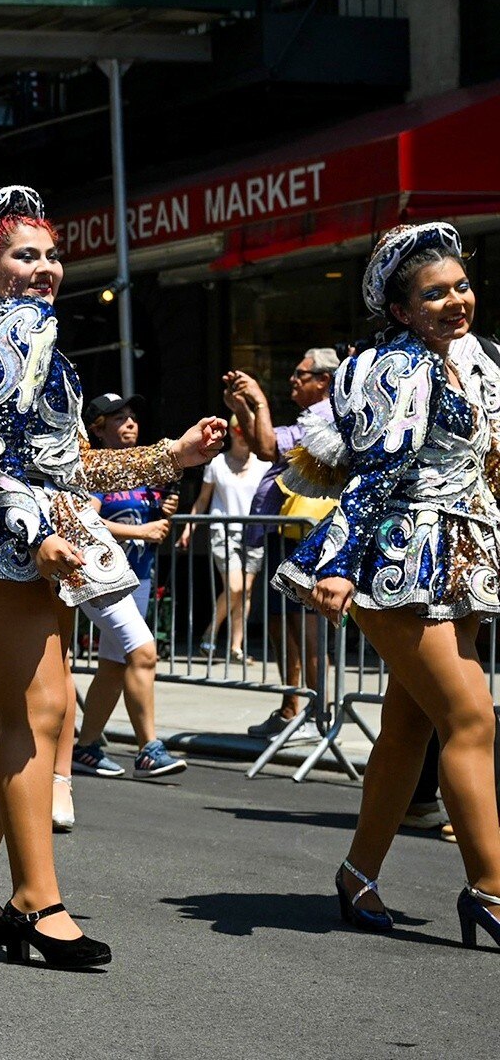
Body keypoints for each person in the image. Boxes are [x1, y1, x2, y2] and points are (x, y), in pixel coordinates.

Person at [0, 185, 224, 969]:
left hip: (33, 530)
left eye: (53, 255)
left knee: (7, 720)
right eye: (26, 255)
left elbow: (67, 466)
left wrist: (172, 457)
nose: (46, 269)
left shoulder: (35, 337)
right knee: (42, 709)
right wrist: (36, 538)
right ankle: (37, 897)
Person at [273, 222, 500, 944]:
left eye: (460, 286)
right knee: (471, 720)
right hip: (399, 559)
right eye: (435, 294)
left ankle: (357, 874)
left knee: (410, 725)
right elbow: (375, 478)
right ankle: (492, 892)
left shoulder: (474, 361)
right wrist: (335, 568)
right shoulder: (393, 368)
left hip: (460, 559)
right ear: (401, 310)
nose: (456, 301)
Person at [68, 393, 187, 779]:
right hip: (105, 578)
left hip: (140, 578)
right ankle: (148, 749)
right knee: (142, 654)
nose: (131, 423)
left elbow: (154, 521)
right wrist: (141, 529)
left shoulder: (146, 472)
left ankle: (85, 747)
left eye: (133, 417)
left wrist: (164, 512)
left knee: (114, 666)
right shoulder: (98, 469)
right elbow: (84, 519)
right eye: (119, 418)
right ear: (99, 429)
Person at [224, 351, 338, 741]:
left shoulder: (328, 417)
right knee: (281, 625)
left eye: (300, 374)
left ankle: (316, 713)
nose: (293, 379)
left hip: (308, 535)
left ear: (323, 380)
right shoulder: (311, 417)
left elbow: (270, 448)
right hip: (287, 534)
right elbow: (263, 445)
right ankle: (293, 708)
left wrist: (259, 402)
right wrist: (244, 405)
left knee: (306, 626)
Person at [176, 419, 267, 663]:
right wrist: (189, 528)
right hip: (223, 531)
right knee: (235, 588)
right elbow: (202, 500)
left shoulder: (263, 466)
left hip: (253, 532)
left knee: (245, 591)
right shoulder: (217, 463)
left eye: (246, 431)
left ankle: (236, 646)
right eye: (236, 430)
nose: (241, 435)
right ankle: (211, 631)